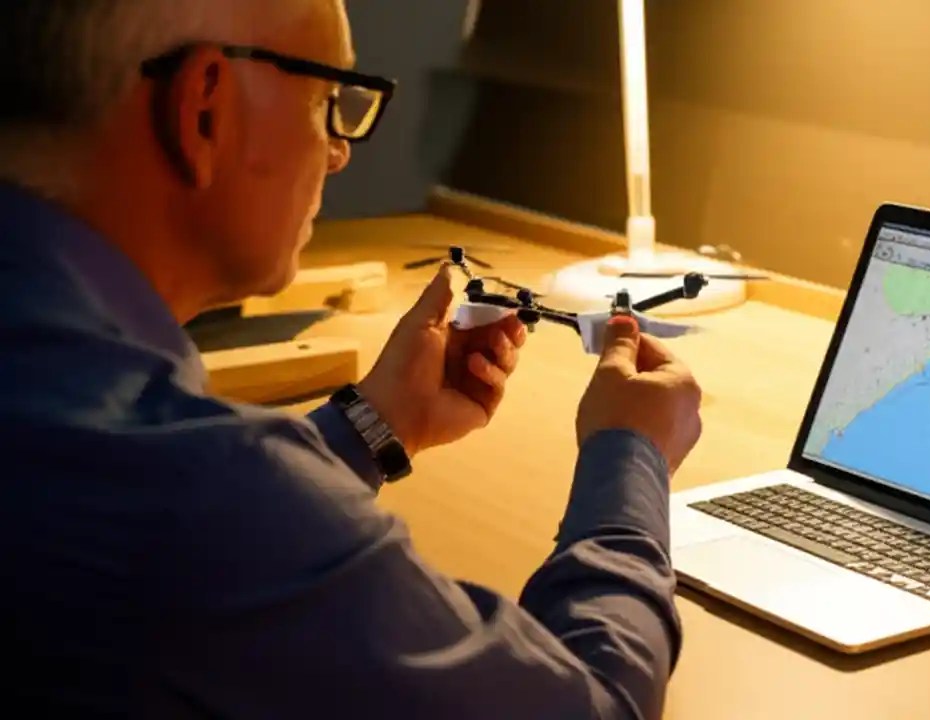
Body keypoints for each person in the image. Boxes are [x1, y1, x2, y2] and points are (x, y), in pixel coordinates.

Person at [0, 1, 702, 718]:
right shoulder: (193, 496)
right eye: (327, 103)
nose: (339, 151)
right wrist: (631, 456)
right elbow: (599, 707)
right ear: (205, 108)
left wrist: (373, 424)